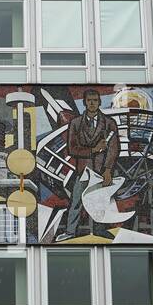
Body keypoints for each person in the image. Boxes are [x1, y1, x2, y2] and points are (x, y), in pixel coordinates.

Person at [57, 88, 119, 241]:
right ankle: (70, 232)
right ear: (84, 102)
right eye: (89, 100)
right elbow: (72, 149)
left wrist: (108, 170)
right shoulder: (76, 123)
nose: (92, 103)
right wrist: (93, 149)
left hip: (101, 170)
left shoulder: (110, 123)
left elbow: (113, 149)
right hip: (83, 171)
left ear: (99, 102)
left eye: (95, 100)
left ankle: (99, 230)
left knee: (100, 202)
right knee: (76, 202)